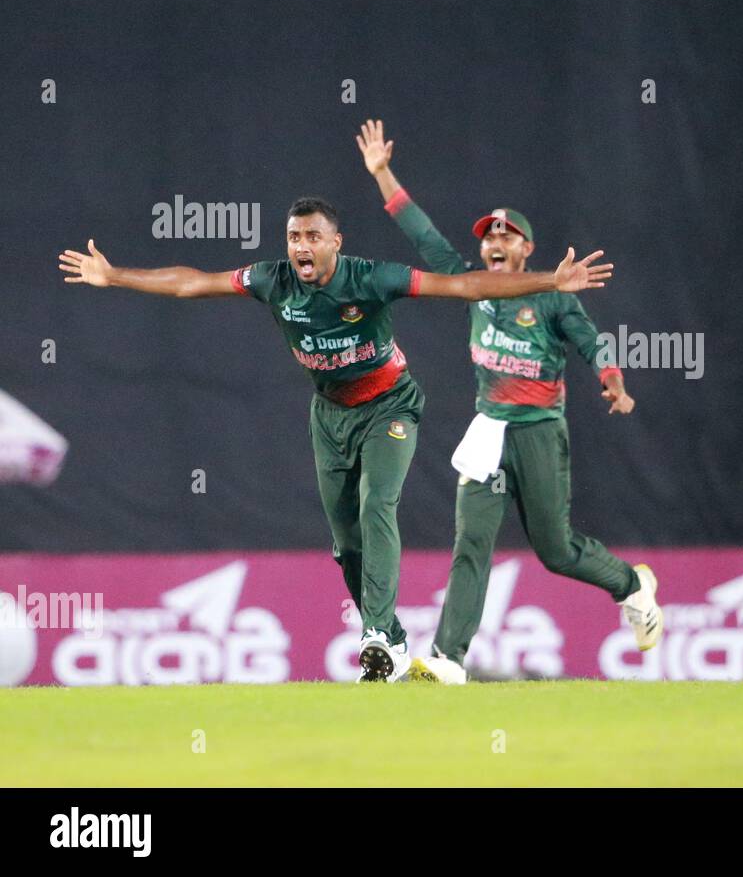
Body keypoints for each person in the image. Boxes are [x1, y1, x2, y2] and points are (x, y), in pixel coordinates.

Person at [58, 197, 613, 683]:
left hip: (390, 406)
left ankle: (373, 635)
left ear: (335, 243)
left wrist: (549, 281)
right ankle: (392, 643)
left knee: (379, 503)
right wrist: (115, 275)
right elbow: (193, 282)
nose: (301, 246)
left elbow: (463, 285)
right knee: (347, 545)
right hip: (330, 417)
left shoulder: (371, 277)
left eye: (312, 237)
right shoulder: (271, 279)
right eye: (294, 236)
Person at [355, 120, 661, 684]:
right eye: (488, 237)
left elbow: (592, 342)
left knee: (556, 551)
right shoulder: (469, 282)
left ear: (527, 249)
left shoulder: (550, 295)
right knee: (470, 544)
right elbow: (422, 235)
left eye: (507, 236)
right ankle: (448, 659)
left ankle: (632, 586)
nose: (494, 243)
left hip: (539, 433)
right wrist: (381, 173)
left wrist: (613, 381)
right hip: (490, 433)